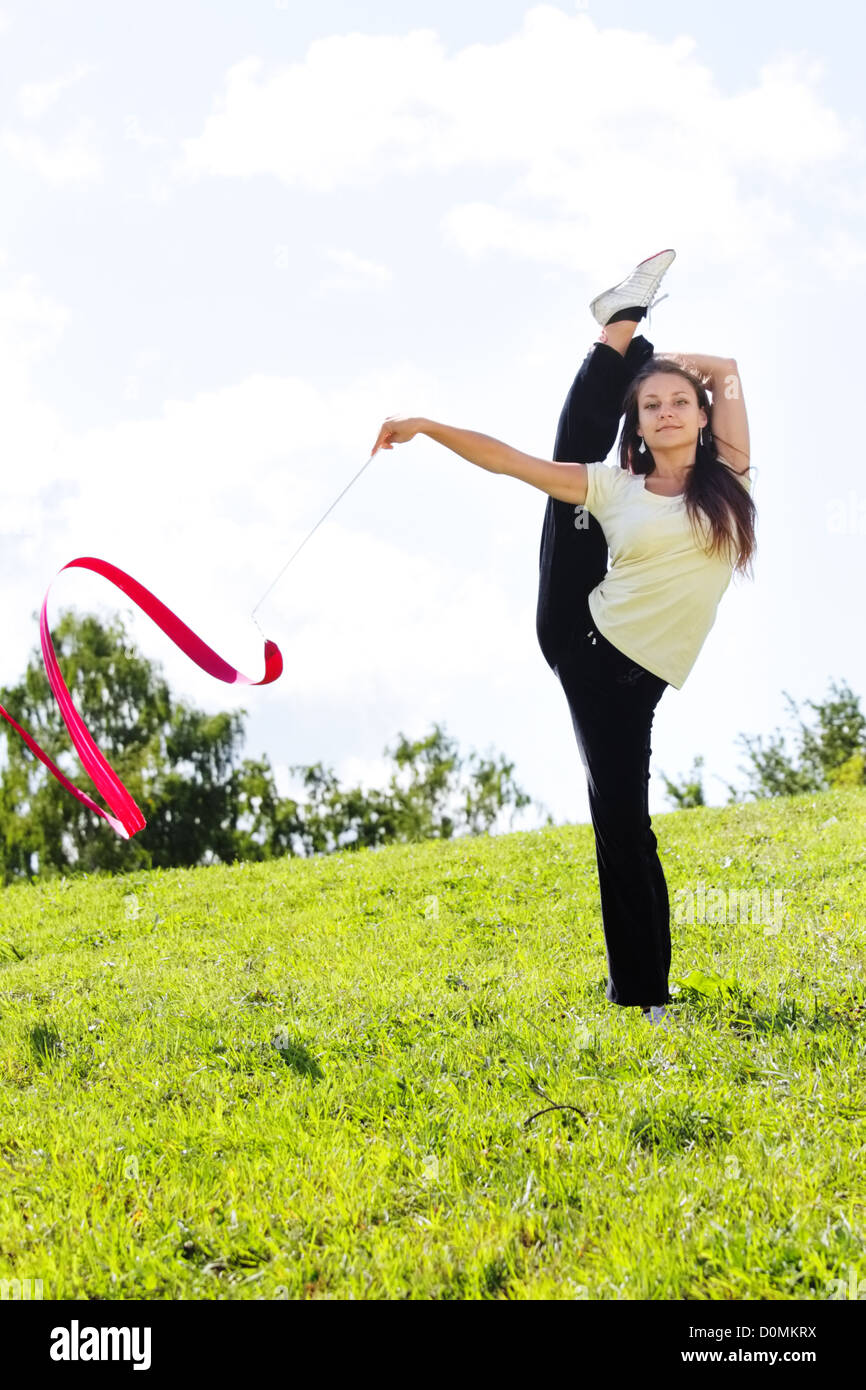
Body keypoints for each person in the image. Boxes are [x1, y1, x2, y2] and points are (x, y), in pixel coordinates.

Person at [371, 250, 756, 1028]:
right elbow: (512, 465)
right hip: (587, 641)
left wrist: (653, 364)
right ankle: (645, 998)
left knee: (629, 823)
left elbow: (731, 367)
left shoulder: (732, 481)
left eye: (680, 403)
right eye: (649, 408)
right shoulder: (618, 484)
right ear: (639, 428)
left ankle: (619, 331)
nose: (666, 413)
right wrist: (426, 426)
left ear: (704, 415)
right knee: (621, 823)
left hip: (640, 676)